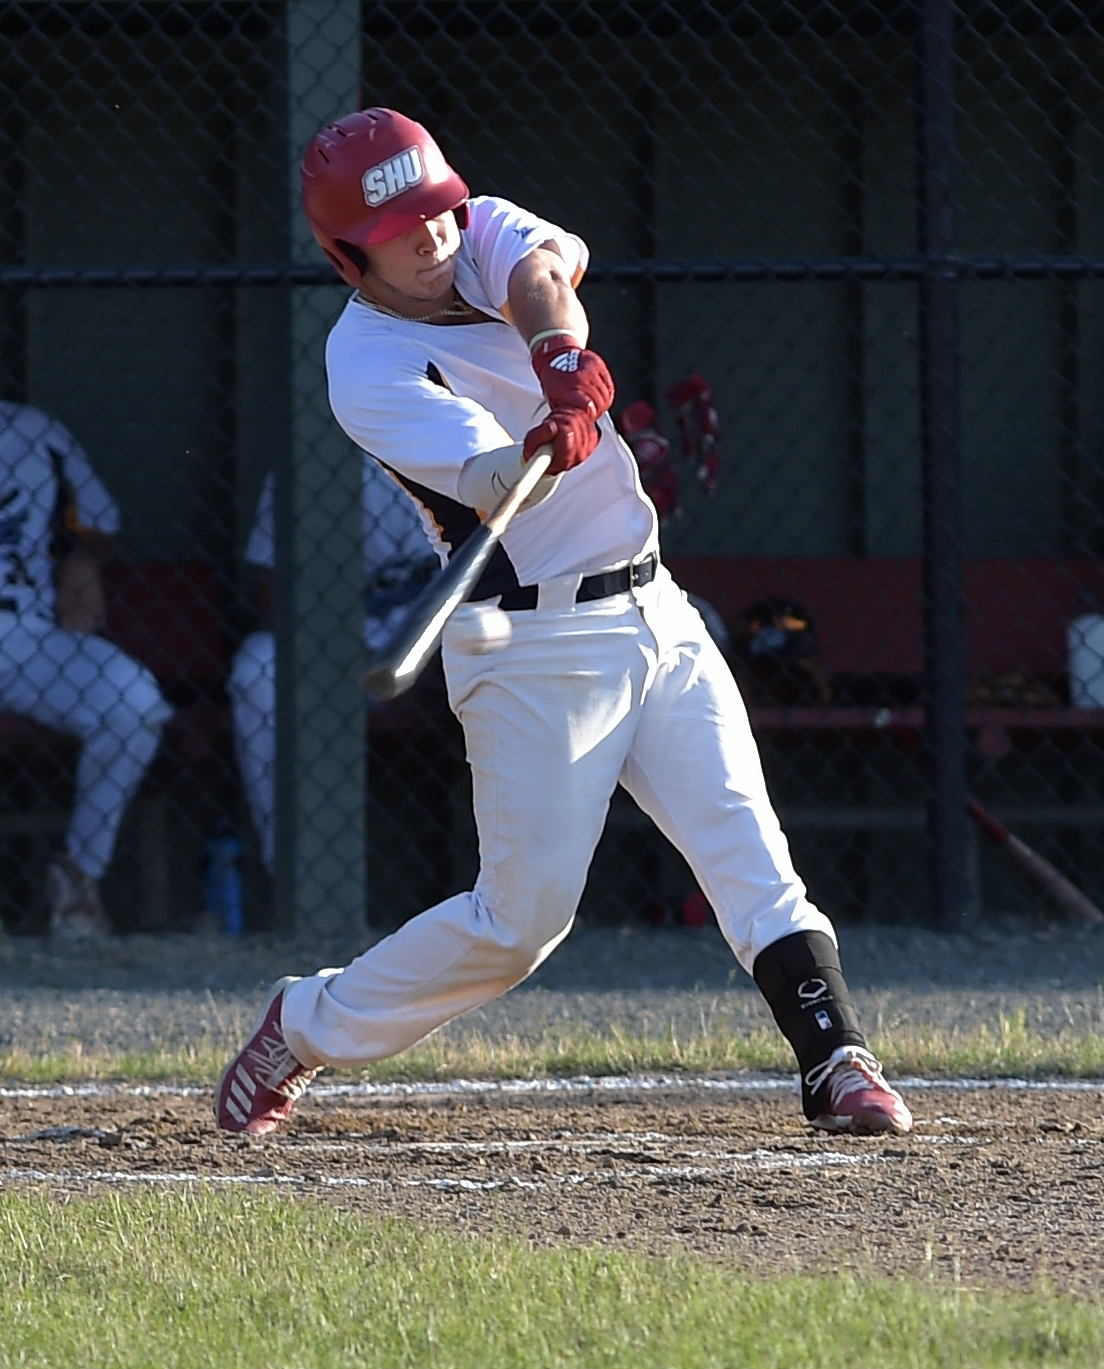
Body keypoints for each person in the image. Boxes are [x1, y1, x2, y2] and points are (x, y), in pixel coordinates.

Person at [215, 108, 912, 1138]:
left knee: (747, 848)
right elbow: (500, 480)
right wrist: (549, 439)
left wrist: (559, 362)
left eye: (435, 208)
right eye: (399, 228)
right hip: (531, 645)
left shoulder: (479, 227)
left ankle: (836, 1058)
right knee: (522, 922)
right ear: (348, 255)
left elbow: (540, 273)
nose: (432, 235)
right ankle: (305, 1023)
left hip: (655, 605)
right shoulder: (364, 364)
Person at [0, 401, 172, 940]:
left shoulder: (31, 431)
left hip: (21, 635)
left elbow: (100, 526)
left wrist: (79, 557)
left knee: (133, 703)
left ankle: (78, 878)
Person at [227, 454, 439, 872]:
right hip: (333, 657)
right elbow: (275, 595)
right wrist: (339, 654)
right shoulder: (315, 458)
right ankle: (289, 865)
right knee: (258, 669)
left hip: (447, 656)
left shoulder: (476, 442)